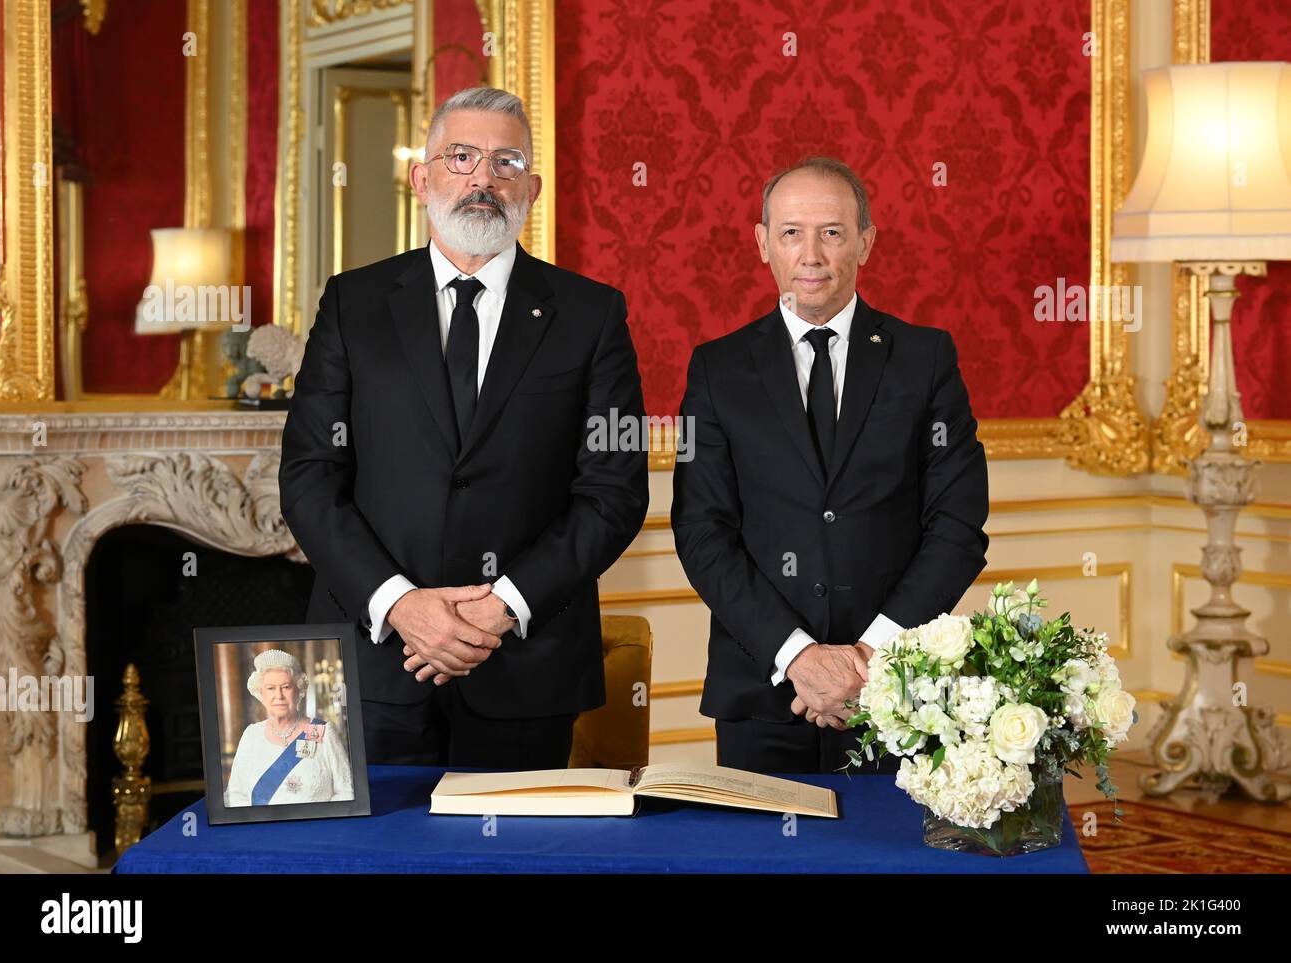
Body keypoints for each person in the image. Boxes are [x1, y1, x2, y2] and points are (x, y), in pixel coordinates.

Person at [279, 86, 648, 769]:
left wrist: (498, 608)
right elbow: (309, 478)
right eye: (462, 156)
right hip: (372, 661)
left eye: (506, 162)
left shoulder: (591, 315)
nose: (484, 178)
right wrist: (401, 606)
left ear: (530, 188)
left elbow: (614, 491)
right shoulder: (352, 304)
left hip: (525, 668)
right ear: (422, 178)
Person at [672, 156, 989, 774]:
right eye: (791, 232)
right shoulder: (717, 369)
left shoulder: (924, 360)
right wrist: (798, 657)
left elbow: (957, 526)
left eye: (833, 232)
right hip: (763, 693)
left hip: (901, 693)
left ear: (866, 242)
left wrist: (872, 658)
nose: (811, 254)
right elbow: (702, 532)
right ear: (763, 243)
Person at [225, 649, 353, 806]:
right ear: (261, 694)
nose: (279, 695)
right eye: (270, 688)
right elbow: (235, 795)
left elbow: (347, 792)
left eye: (286, 687)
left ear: (299, 690)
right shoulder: (251, 735)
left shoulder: (324, 732)